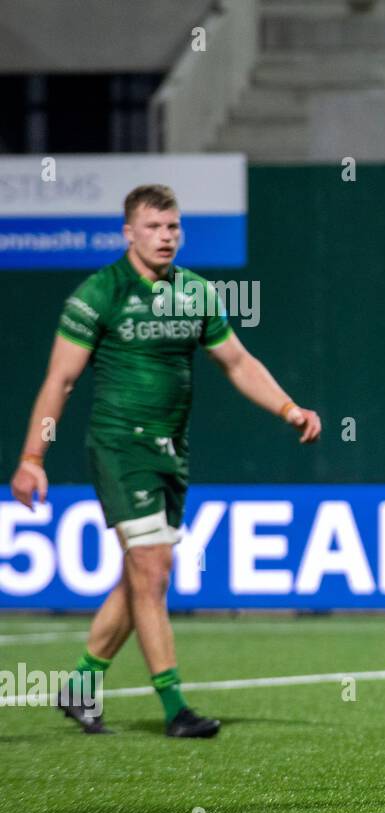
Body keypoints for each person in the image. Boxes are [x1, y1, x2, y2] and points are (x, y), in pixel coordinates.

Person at [9, 183, 322, 737]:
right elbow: (60, 379)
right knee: (152, 569)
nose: (166, 237)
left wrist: (288, 408)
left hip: (171, 452)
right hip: (119, 446)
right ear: (129, 233)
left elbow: (236, 362)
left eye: (173, 227)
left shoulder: (196, 293)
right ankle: (176, 708)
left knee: (141, 576)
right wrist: (34, 455)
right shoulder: (99, 293)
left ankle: (81, 686)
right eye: (154, 227)